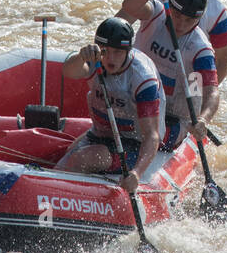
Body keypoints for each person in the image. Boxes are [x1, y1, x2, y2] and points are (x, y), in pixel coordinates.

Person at [55, 17, 163, 194]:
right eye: (106, 51)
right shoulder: (94, 59)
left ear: (127, 51)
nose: (110, 58)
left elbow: (152, 135)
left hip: (133, 144)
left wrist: (136, 173)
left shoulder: (142, 78)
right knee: (70, 154)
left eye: (118, 52)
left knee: (82, 159)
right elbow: (68, 71)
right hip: (102, 134)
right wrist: (81, 56)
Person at [121, 0, 220, 153]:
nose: (180, 24)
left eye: (189, 20)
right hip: (134, 103)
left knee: (140, 133)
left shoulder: (200, 49)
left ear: (199, 18)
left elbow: (211, 92)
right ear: (171, 7)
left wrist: (203, 119)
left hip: (172, 119)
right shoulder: (156, 14)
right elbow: (128, 6)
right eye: (177, 15)